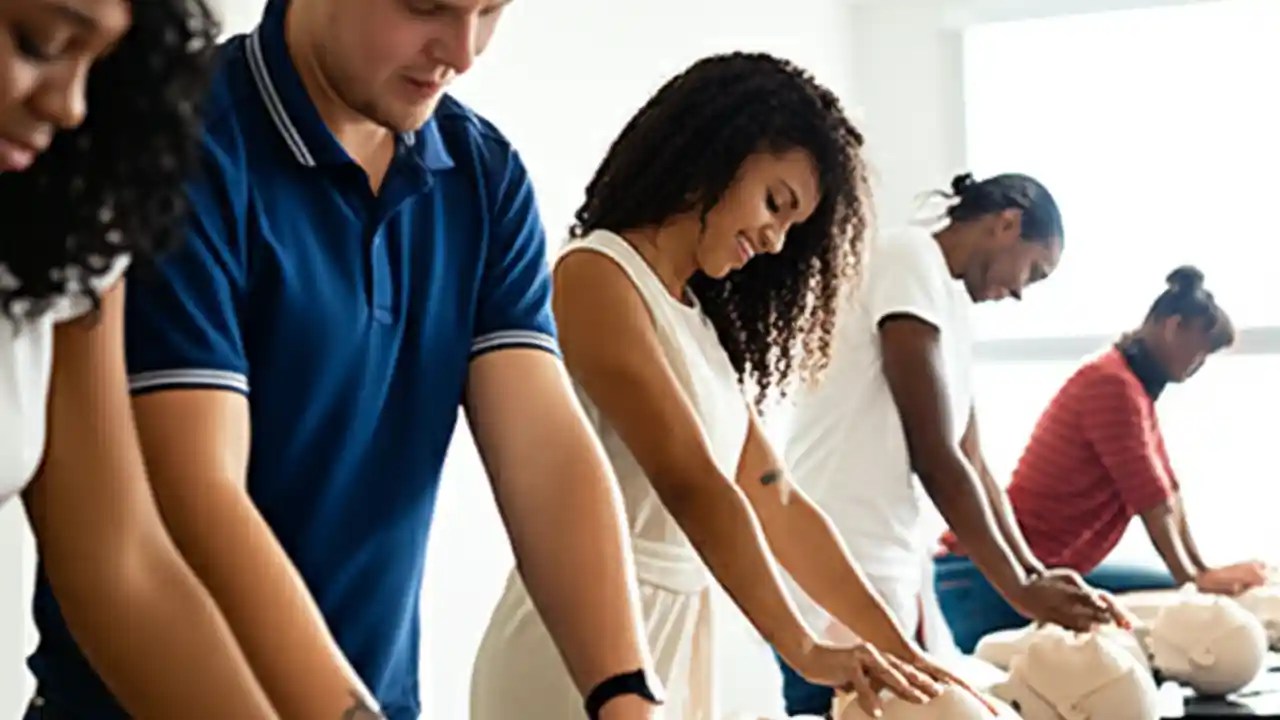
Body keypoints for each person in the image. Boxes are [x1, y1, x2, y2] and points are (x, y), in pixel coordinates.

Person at [26, 0, 662, 718]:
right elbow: (192, 499)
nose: (463, 51)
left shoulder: (482, 177)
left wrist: (626, 695)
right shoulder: (181, 147)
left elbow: (547, 456)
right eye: (427, 6)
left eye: (489, 11)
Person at [470, 53, 990, 720]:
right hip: (580, 635)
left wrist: (902, 652)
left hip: (682, 633)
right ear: (714, 154)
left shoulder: (697, 323)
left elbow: (775, 500)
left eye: (792, 226)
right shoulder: (595, 275)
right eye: (775, 203)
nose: (775, 241)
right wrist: (801, 646)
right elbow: (692, 483)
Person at [2, 0, 278, 717]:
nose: (68, 105)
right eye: (39, 44)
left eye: (96, 62)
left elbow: (125, 571)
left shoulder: (57, 242)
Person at [777, 172, 1125, 717]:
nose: (1018, 291)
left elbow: (975, 465)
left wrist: (1035, 572)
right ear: (1006, 222)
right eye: (1032, 270)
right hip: (834, 549)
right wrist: (1017, 590)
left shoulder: (951, 307)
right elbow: (934, 454)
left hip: (884, 557)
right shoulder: (908, 257)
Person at [935, 266, 1270, 652]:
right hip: (980, 579)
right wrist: (1191, 583)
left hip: (1041, 570)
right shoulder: (1110, 384)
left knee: (1178, 602)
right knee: (1176, 614)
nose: (1199, 365)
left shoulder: (1134, 387)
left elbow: (1167, 491)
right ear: (1174, 326)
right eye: (1201, 350)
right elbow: (1148, 498)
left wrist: (1201, 572)